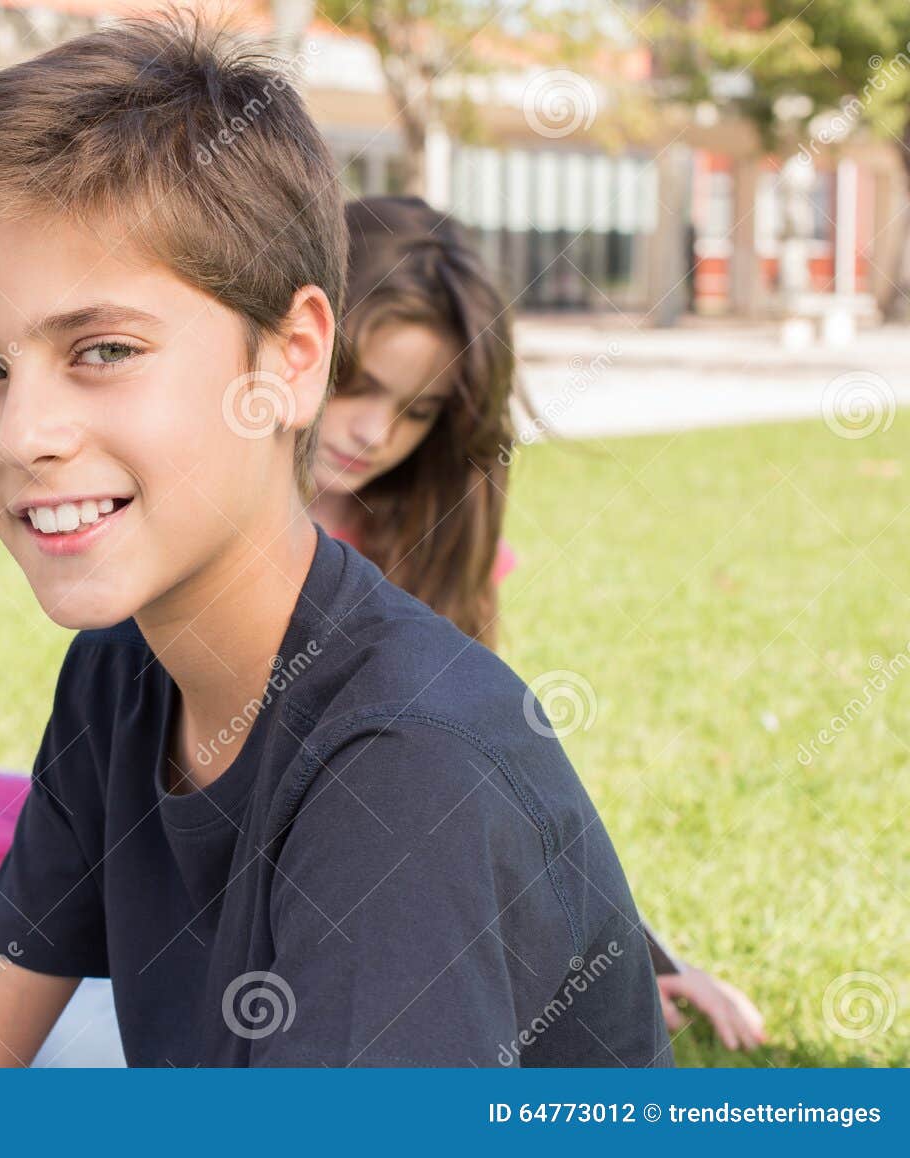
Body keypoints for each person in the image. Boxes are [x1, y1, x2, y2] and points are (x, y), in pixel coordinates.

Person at [0, 15, 668, 1068]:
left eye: (102, 348)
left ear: (290, 361)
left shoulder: (400, 773)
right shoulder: (119, 674)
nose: (23, 435)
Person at [310, 195, 765, 1053]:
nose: (373, 432)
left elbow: (489, 781)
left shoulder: (426, 545)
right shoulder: (211, 525)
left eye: (417, 410)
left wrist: (631, 948)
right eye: (356, 385)